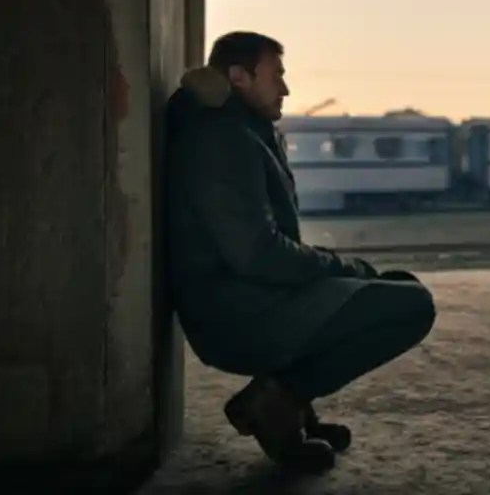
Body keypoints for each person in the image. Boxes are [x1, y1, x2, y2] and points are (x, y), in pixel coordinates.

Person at [164, 31, 437, 472]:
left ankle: (292, 401)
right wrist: (338, 265)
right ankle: (276, 402)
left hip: (255, 296)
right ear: (239, 77)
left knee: (394, 287)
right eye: (277, 76)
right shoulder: (222, 139)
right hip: (238, 312)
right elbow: (257, 255)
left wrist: (339, 270)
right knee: (412, 305)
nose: (286, 89)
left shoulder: (244, 130)